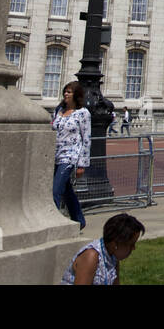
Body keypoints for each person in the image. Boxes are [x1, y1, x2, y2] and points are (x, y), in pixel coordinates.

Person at [61, 213, 145, 285]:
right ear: (115, 244)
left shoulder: (113, 257)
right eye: (131, 245)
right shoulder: (91, 257)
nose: (133, 248)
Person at [52, 81, 91, 230]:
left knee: (55, 190)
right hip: (56, 154)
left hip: (70, 157)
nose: (66, 94)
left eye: (69, 91)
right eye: (65, 91)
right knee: (67, 190)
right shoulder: (59, 110)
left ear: (77, 95)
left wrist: (82, 164)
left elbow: (86, 139)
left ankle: (53, 223)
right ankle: (79, 220)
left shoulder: (83, 113)